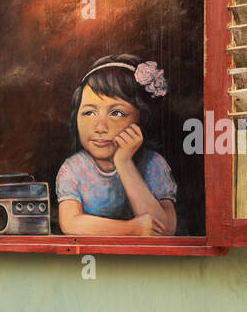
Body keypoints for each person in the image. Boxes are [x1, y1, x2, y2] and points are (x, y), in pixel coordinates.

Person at [55, 54, 178, 237]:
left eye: (117, 113)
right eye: (89, 112)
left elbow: (164, 229)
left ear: (141, 119)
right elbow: (71, 223)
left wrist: (124, 162)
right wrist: (132, 229)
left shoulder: (152, 164)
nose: (100, 127)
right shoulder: (74, 168)